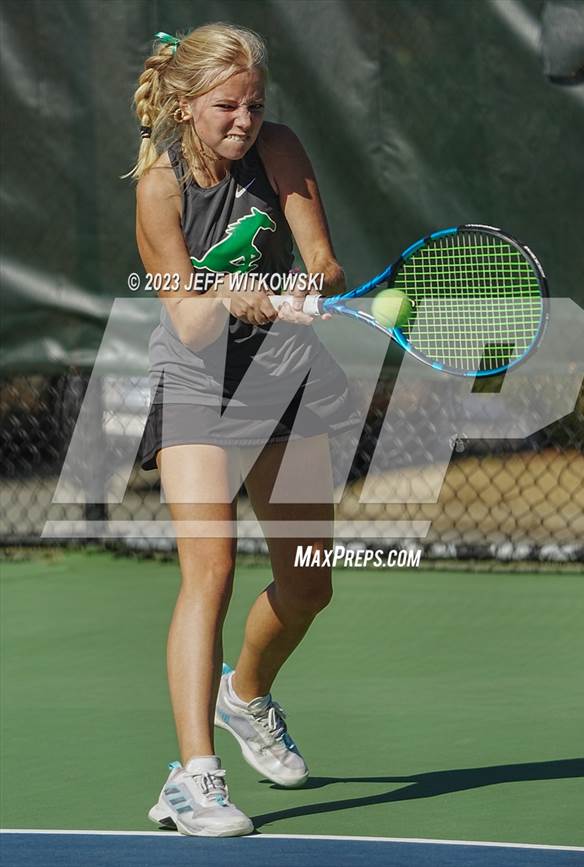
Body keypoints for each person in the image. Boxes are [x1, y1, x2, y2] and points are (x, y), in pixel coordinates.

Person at [129, 23, 357, 837]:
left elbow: (325, 261)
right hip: (197, 383)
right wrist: (231, 293)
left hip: (283, 376)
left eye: (255, 105)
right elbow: (187, 320)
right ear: (187, 104)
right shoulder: (159, 187)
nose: (244, 120)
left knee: (309, 583)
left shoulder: (280, 148)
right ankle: (193, 777)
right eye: (228, 106)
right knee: (212, 568)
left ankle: (246, 692)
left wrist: (306, 285)